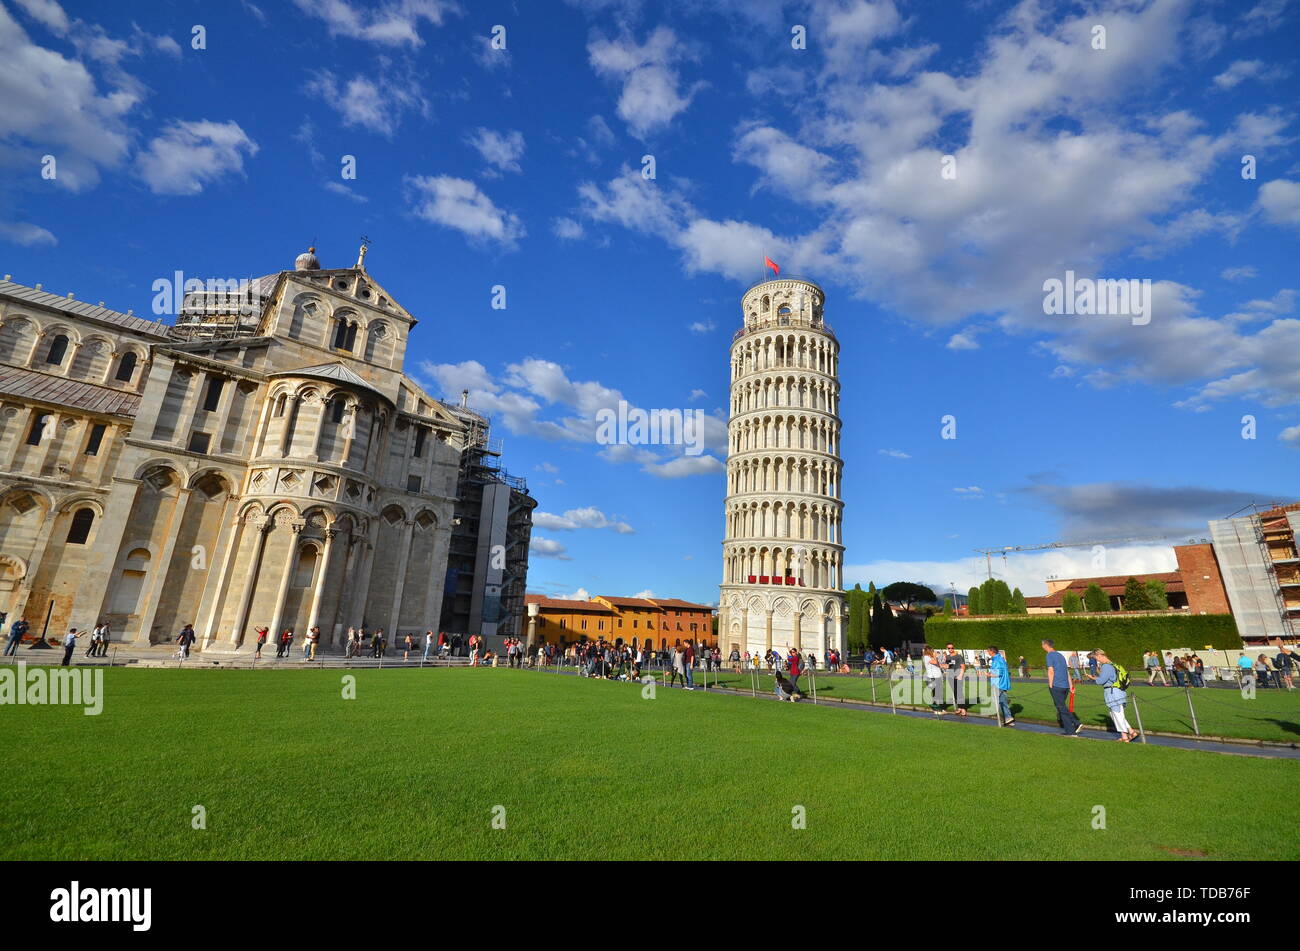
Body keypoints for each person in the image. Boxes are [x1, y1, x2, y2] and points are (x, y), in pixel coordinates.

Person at [1090, 649, 1137, 742]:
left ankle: (1124, 737)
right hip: (1119, 691)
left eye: (1096, 658)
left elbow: (1101, 681)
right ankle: (1131, 732)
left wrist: (1093, 678)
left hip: (1112, 692)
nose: (1097, 661)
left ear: (1099, 655)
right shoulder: (1114, 664)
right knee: (1115, 714)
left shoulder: (1106, 666)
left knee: (1117, 714)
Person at [1042, 639, 1082, 736]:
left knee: (1061, 708)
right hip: (1065, 686)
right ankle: (1071, 729)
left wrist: (1050, 684)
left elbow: (1051, 671)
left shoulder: (1049, 655)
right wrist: (1070, 685)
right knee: (1061, 707)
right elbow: (1067, 672)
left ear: (1046, 645)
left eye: (1042, 644)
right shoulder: (1060, 655)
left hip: (1057, 685)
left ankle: (1074, 726)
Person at [985, 646, 1013, 725]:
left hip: (998, 684)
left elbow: (999, 673)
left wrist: (989, 675)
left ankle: (1004, 718)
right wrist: (991, 673)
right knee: (1002, 702)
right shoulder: (1000, 659)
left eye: (988, 651)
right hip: (1002, 683)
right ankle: (1008, 718)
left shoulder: (997, 660)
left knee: (997, 701)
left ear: (992, 652)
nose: (987, 653)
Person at [943, 643, 968, 716]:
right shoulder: (947, 657)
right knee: (955, 692)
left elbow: (963, 666)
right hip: (950, 676)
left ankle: (963, 709)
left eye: (952, 648)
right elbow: (948, 666)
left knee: (959, 692)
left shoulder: (958, 656)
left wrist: (961, 675)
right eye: (949, 648)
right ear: (947, 649)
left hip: (958, 676)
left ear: (954, 648)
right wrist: (941, 666)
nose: (950, 649)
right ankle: (959, 708)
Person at [920, 647, 945, 714]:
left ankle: (937, 708)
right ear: (929, 651)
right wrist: (935, 656)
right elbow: (935, 662)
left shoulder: (930, 657)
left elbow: (938, 664)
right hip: (932, 678)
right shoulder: (926, 657)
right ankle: (937, 709)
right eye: (932, 651)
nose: (934, 651)